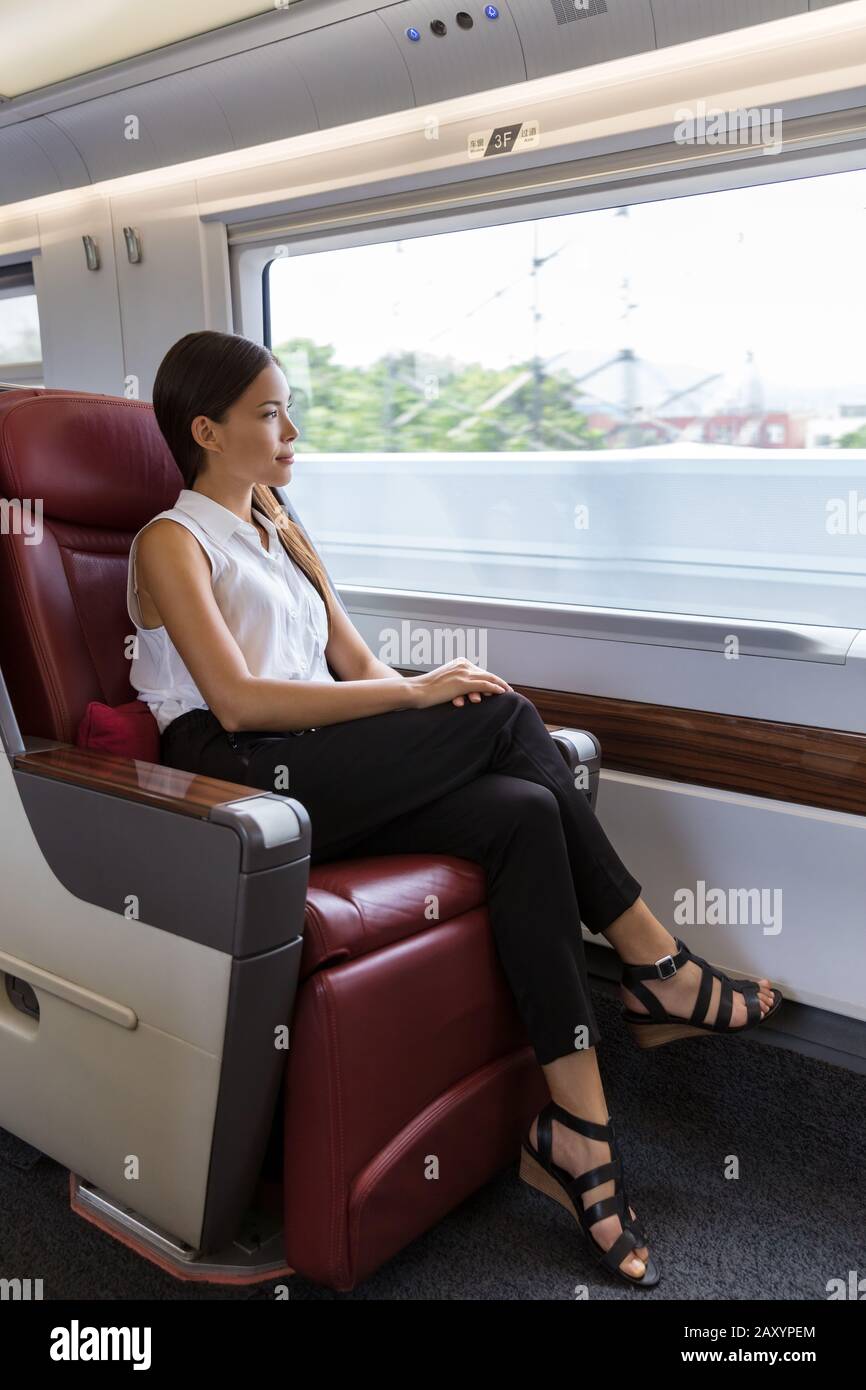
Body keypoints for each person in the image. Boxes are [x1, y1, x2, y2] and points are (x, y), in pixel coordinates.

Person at [128, 330, 782, 1290]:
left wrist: (420, 690)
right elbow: (237, 700)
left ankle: (579, 1132)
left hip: (319, 759)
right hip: (234, 775)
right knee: (503, 714)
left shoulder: (280, 527)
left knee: (522, 808)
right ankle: (655, 964)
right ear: (206, 431)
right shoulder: (169, 541)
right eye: (269, 413)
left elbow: (350, 663)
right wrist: (416, 695)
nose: (292, 430)